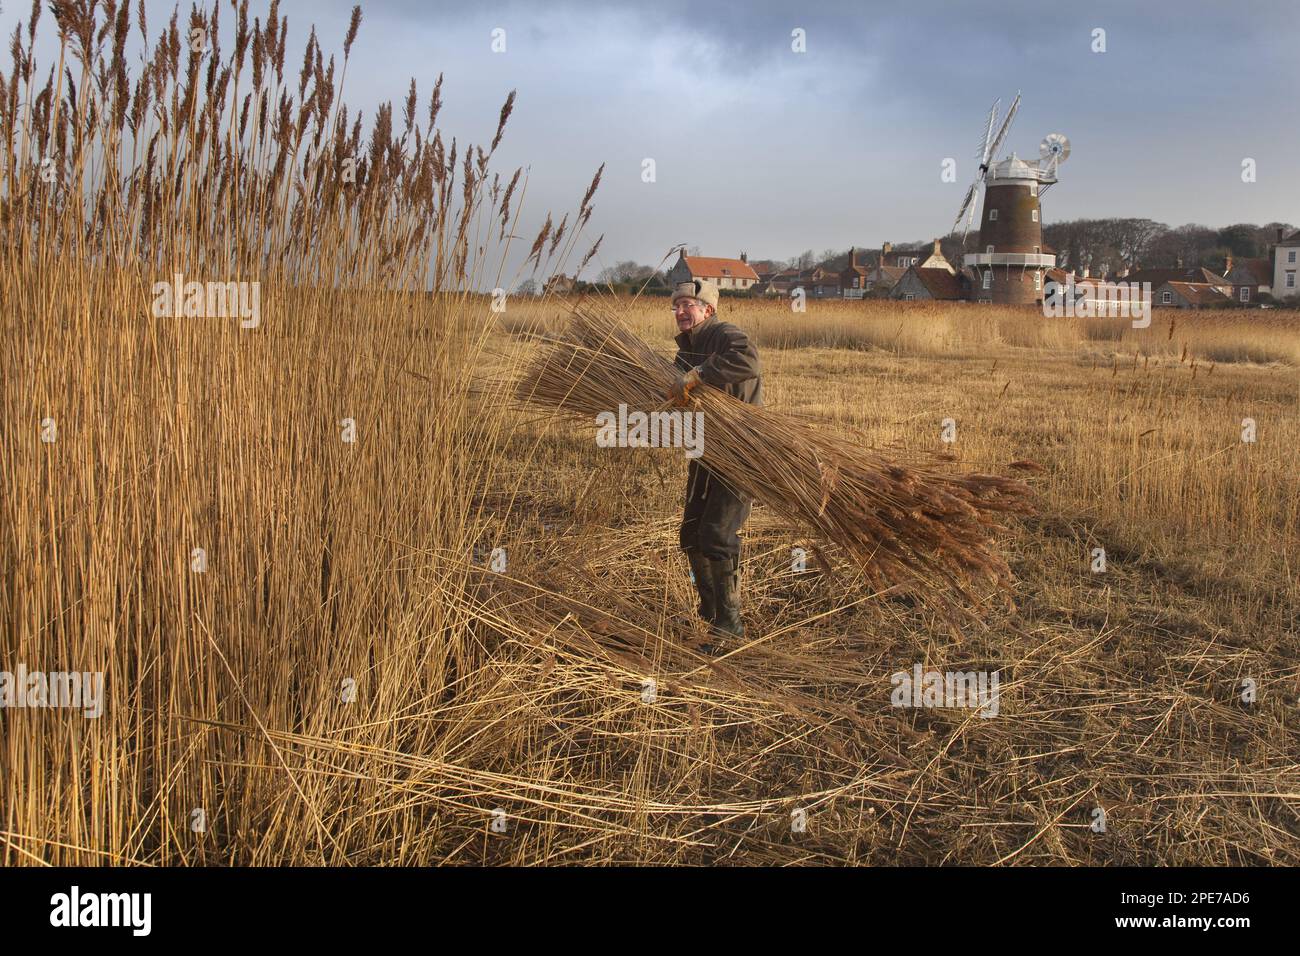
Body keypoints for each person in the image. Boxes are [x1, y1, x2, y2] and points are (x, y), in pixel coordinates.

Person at [666, 278, 763, 643]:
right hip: (707, 448)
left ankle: (730, 624)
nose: (680, 312)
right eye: (675, 306)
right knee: (691, 535)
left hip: (742, 449)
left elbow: (749, 360)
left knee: (717, 534)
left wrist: (699, 374)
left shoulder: (724, 333)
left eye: (687, 305)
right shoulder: (686, 349)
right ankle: (710, 609)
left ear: (707, 309)